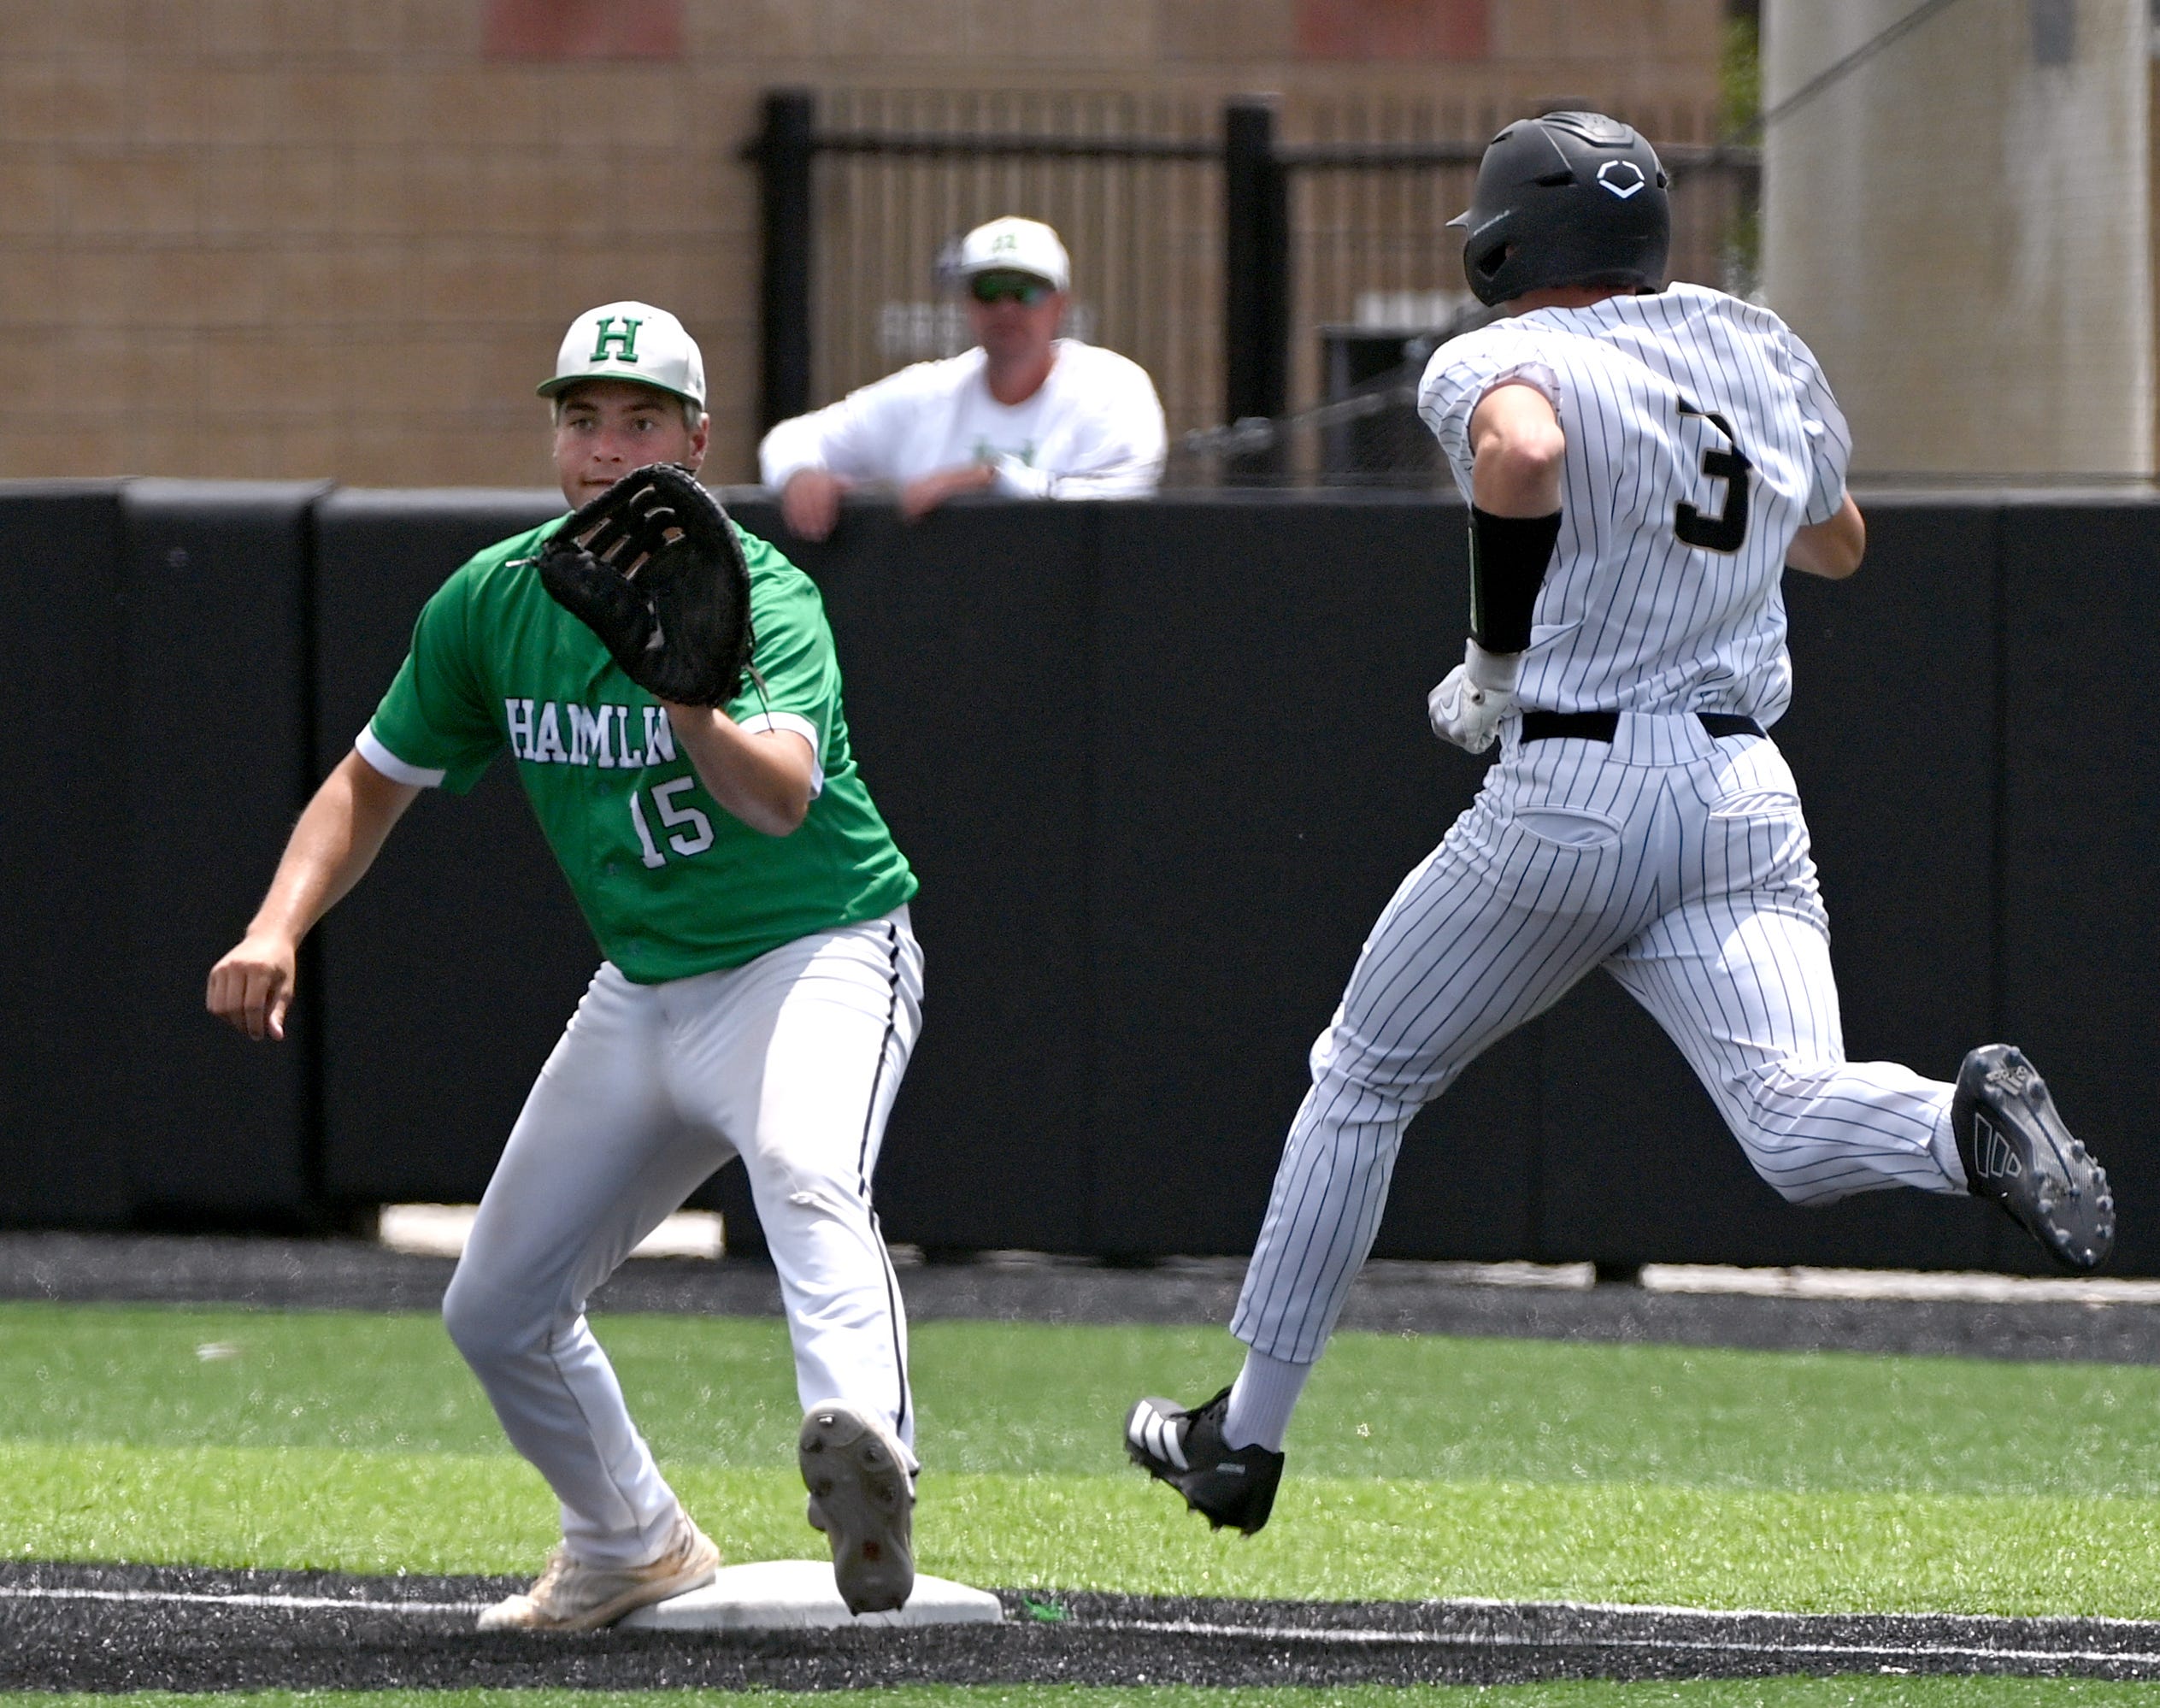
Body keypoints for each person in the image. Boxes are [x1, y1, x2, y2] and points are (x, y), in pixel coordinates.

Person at [1120, 113, 2117, 1535]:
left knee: (1361, 1076)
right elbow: (1836, 539)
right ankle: (1961, 1129)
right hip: (1740, 795)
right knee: (1788, 1119)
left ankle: (1246, 1437)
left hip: (1577, 782)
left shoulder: (1497, 353)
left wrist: (1490, 657)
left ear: (1506, 240)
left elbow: (1520, 455)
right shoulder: (1752, 343)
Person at [206, 300, 927, 1628]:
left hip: (812, 952)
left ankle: (865, 1450)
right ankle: (627, 1537)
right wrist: (274, 924)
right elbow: (369, 783)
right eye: (582, 419)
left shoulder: (763, 594)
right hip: (644, 986)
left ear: (696, 441)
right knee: (496, 1305)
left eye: (639, 419)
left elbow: (777, 798)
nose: (606, 448)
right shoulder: (498, 596)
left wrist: (685, 694)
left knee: (804, 1168)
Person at [759, 215, 1167, 541]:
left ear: (1060, 305)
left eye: (1026, 291)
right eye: (989, 289)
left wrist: (988, 479)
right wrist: (802, 475)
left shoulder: (1113, 389)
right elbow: (791, 438)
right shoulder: (929, 392)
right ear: (967, 303)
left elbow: (1118, 503)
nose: (1006, 308)